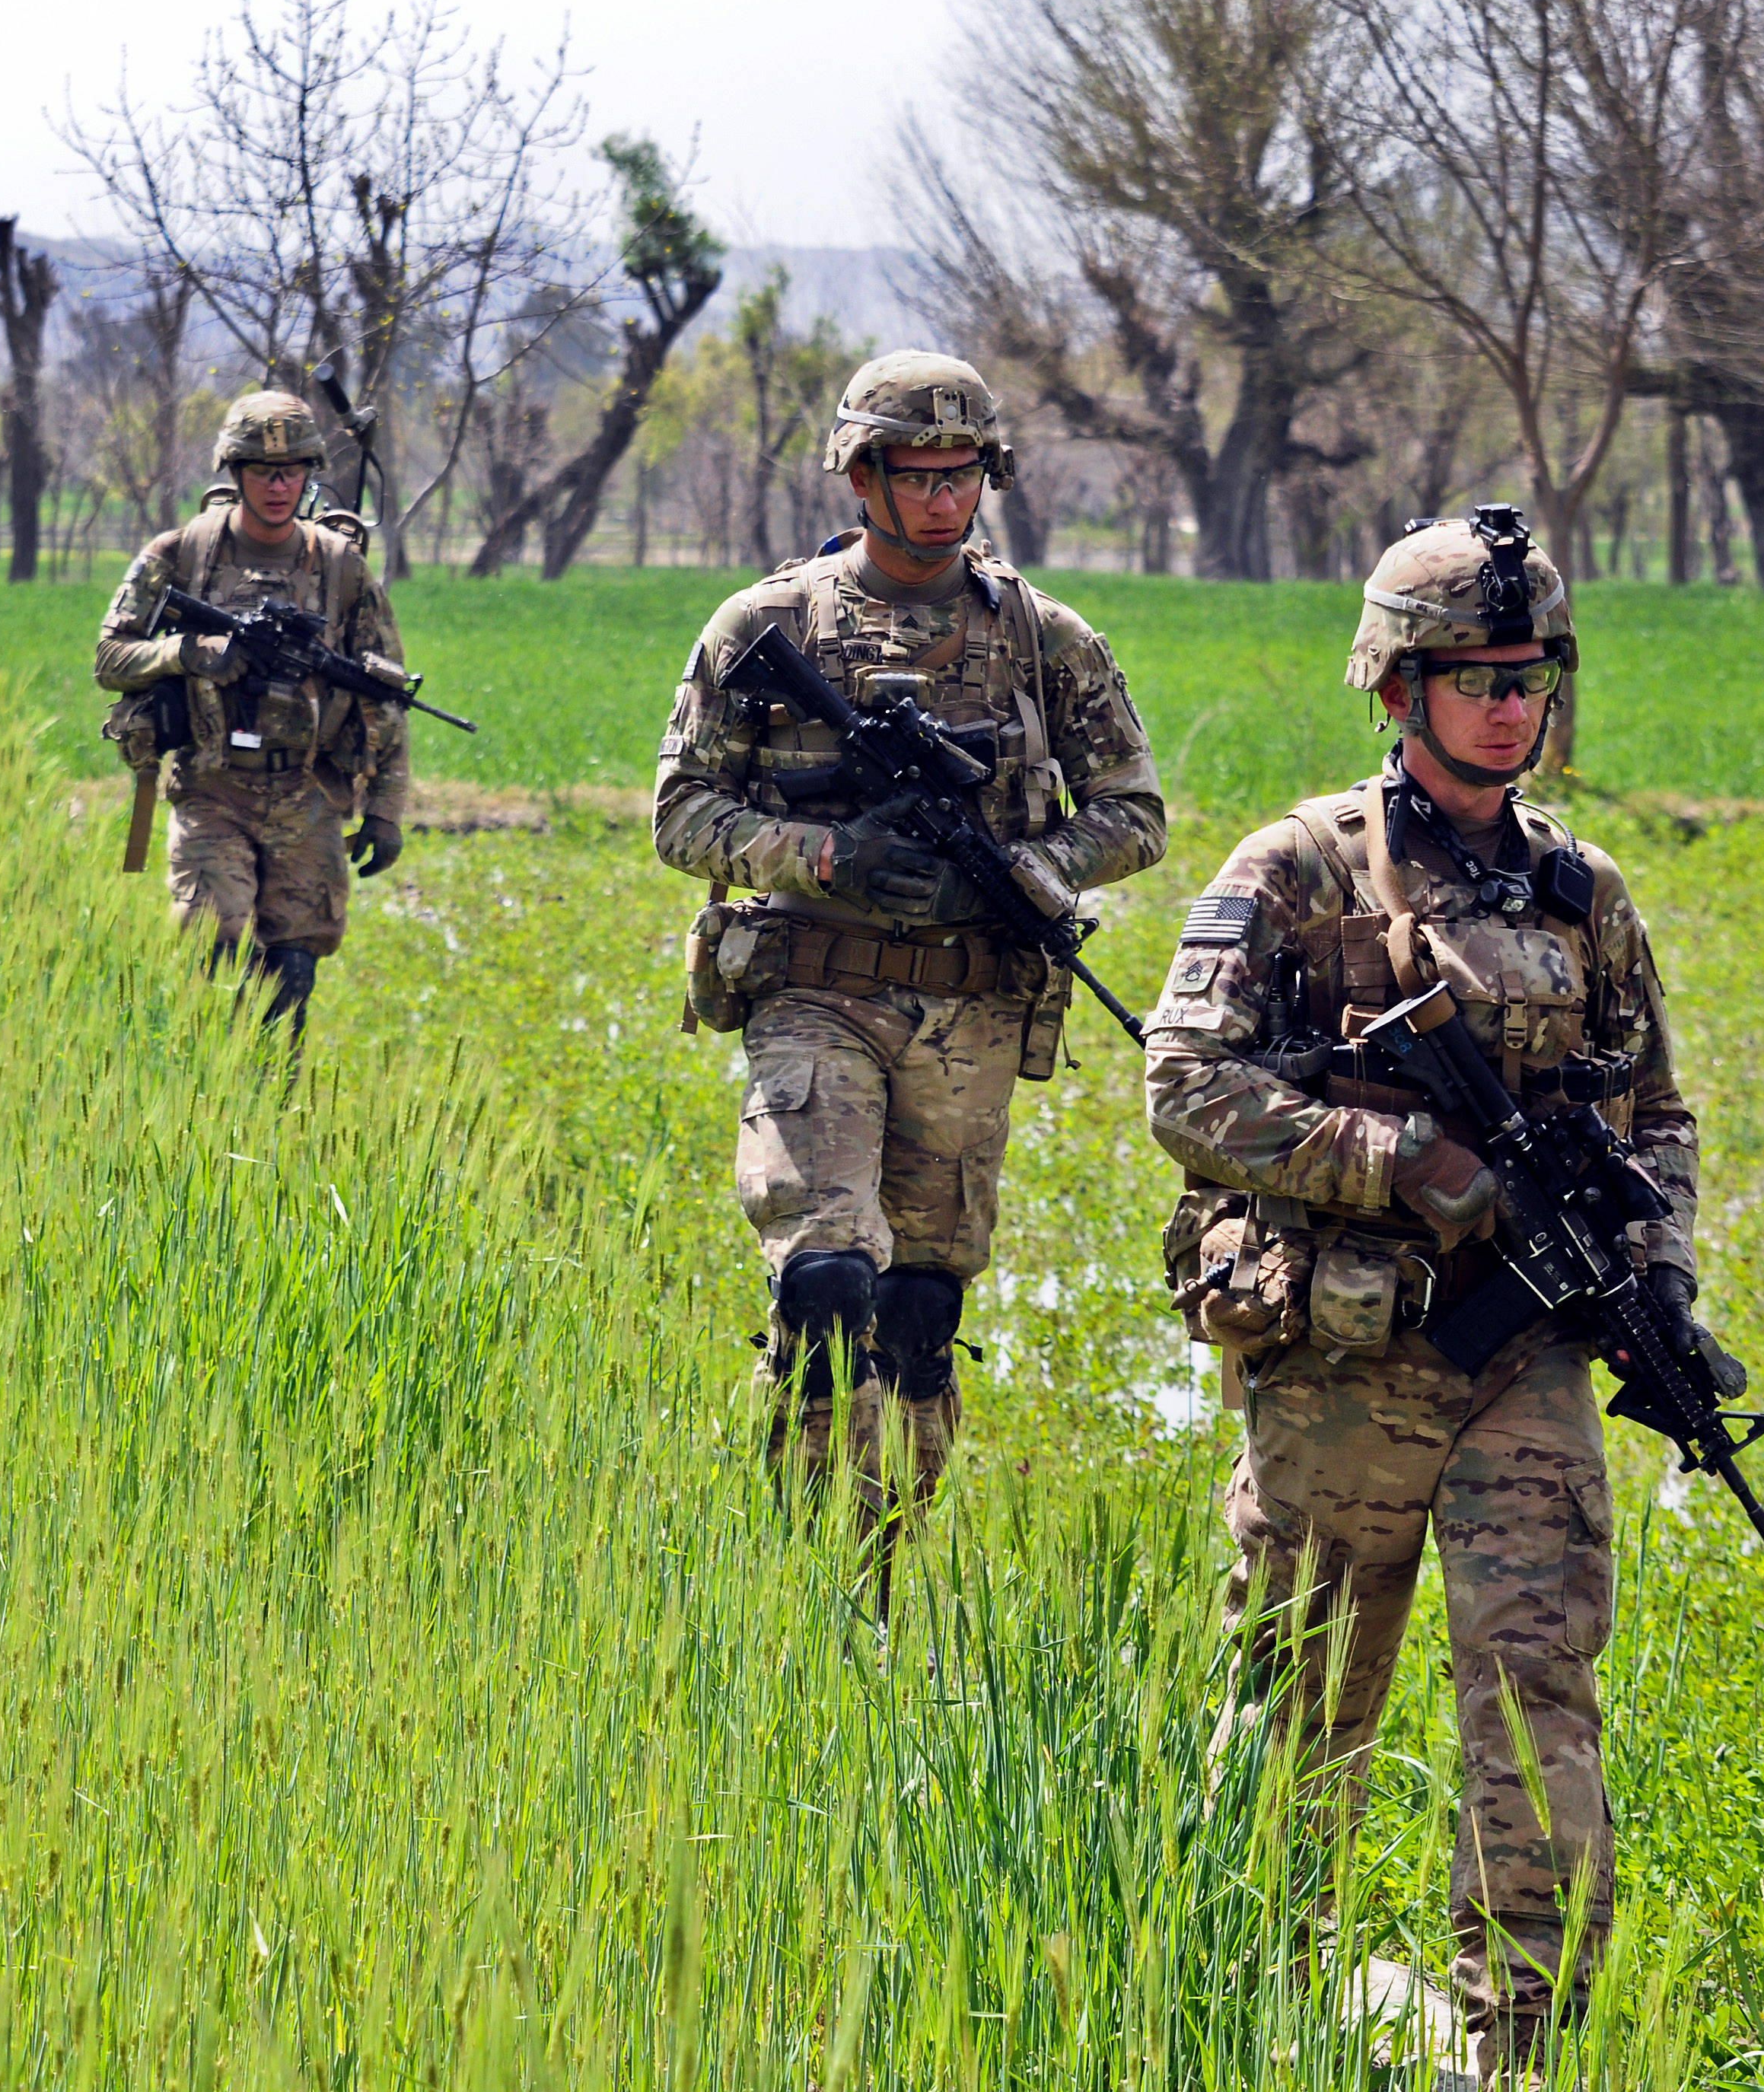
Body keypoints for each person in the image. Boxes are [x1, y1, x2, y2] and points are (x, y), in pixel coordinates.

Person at [1139, 511, 1699, 2081]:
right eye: (1473, 675)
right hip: (1344, 1350)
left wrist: (1658, 1276)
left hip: (1526, 1354)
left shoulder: (1587, 896)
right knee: (1296, 1698)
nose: (1509, 705)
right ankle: (1240, 2007)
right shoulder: (1298, 868)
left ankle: (1513, 2041)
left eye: (1530, 676)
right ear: (1399, 684)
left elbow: (1654, 1117)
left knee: (1538, 1695)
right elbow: (1186, 1087)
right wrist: (1396, 1157)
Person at [654, 350, 1167, 1610]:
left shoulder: (1043, 638)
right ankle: (794, 1575)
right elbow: (681, 811)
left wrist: (1021, 871)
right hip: (813, 988)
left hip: (969, 1004)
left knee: (919, 1315)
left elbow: (1136, 812)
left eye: (961, 475)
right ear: (862, 475)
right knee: (827, 1277)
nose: (941, 500)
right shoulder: (766, 626)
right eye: (914, 475)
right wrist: (825, 852)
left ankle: (877, 1578)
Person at [94, 389, 409, 1050]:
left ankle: (271, 1103)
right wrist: (190, 653)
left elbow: (385, 695)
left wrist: (385, 810)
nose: (278, 485)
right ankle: (205, 1090)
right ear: (234, 474)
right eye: (263, 471)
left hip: (308, 792)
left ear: (310, 475)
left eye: (293, 470)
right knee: (212, 945)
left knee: (294, 965)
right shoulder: (180, 553)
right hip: (214, 789)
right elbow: (111, 656)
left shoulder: (342, 569)